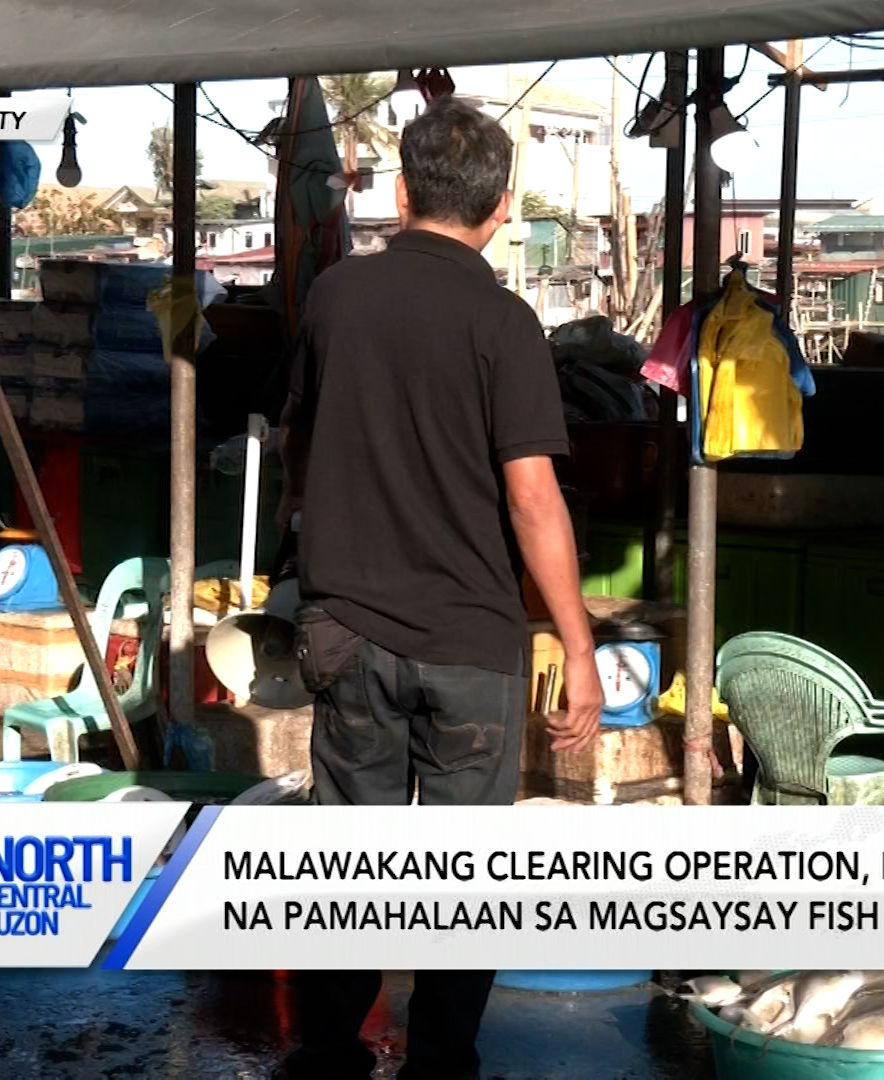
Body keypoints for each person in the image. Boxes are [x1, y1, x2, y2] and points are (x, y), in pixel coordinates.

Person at [274, 94, 601, 1080]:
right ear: (502, 206)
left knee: (351, 867)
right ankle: (441, 1061)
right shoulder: (506, 323)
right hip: (471, 647)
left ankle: (331, 1057)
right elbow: (534, 498)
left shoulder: (334, 297)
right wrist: (579, 649)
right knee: (465, 878)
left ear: (405, 191)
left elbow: (299, 450)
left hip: (348, 635)